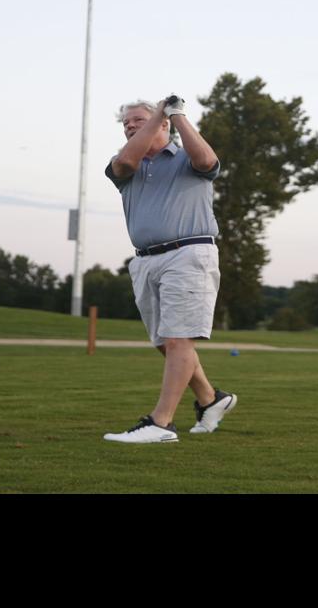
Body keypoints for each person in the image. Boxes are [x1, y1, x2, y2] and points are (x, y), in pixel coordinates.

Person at [101, 96, 236, 443]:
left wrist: (177, 115)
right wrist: (158, 113)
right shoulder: (124, 164)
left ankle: (161, 424)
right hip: (145, 260)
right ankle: (211, 399)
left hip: (188, 253)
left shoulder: (187, 157)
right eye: (126, 123)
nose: (131, 126)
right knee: (165, 341)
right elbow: (126, 161)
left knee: (178, 339)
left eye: (139, 119)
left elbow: (207, 161)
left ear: (164, 123)